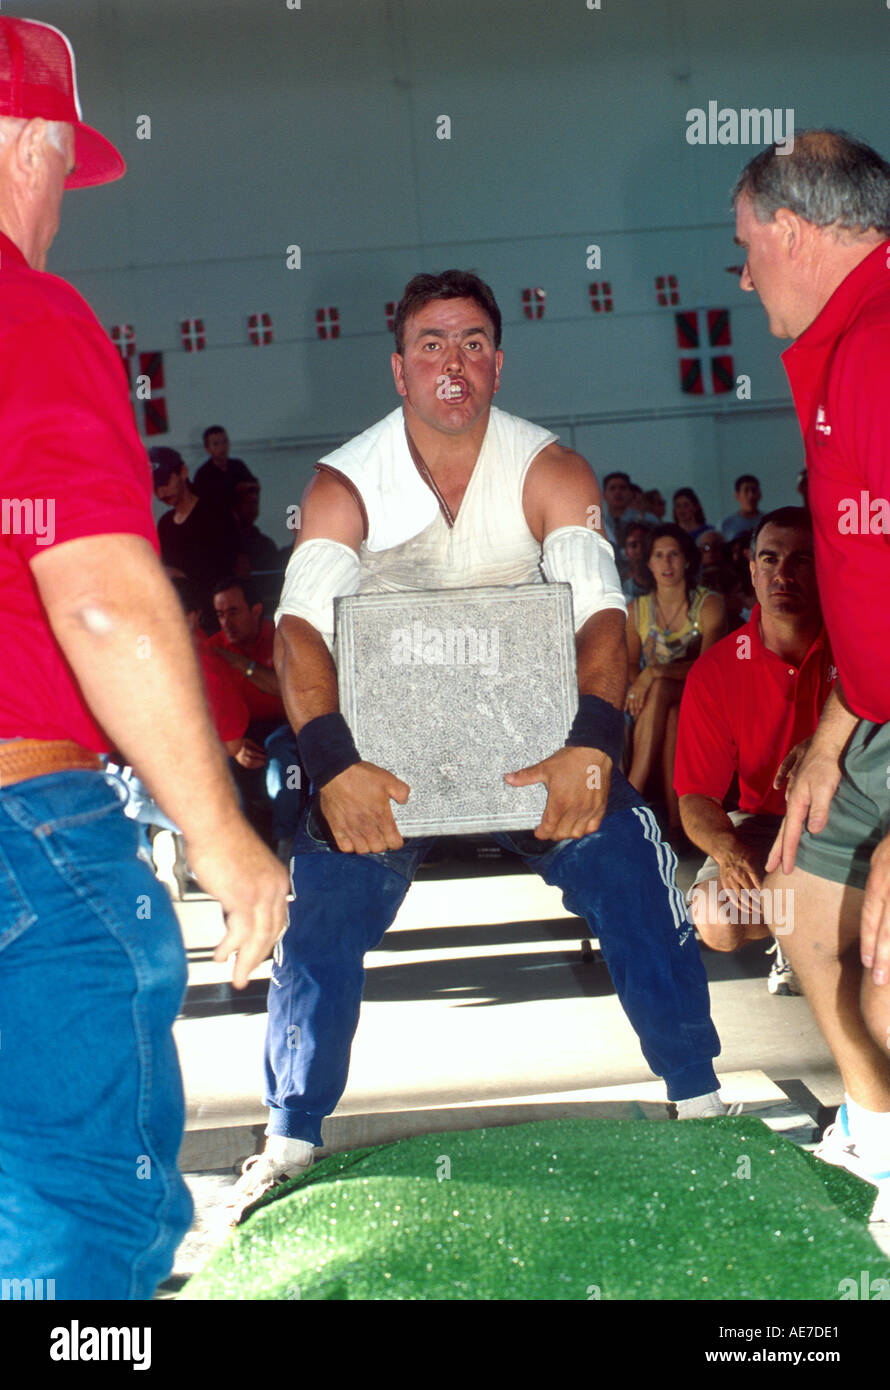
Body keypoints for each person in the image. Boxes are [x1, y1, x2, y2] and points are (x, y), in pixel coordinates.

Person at [223, 269, 725, 1220]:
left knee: (627, 861)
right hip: (386, 757)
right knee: (320, 905)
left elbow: (603, 618)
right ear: (399, 369)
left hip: (531, 743)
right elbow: (298, 635)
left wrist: (592, 743)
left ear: (498, 361)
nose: (452, 363)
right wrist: (332, 764)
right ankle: (287, 1143)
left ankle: (701, 1103)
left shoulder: (553, 472)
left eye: (472, 344)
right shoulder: (343, 482)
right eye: (431, 345)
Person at [0, 16, 289, 1299]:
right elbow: (103, 601)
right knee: (75, 1223)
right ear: (32, 142)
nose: (66, 197)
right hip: (25, 833)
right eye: (65, 162)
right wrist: (219, 833)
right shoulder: (32, 313)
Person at [733, 129, 890, 1220]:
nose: (740, 274)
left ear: (792, 230)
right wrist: (829, 738)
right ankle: (874, 1130)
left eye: (744, 246)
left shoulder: (881, 347)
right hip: (875, 711)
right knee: (798, 876)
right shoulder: (845, 347)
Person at [675, 508, 836, 993]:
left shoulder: (863, 647)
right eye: (770, 559)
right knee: (715, 918)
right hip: (766, 825)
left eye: (802, 560)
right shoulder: (717, 670)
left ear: (826, 566)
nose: (783, 574)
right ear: (751, 569)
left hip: (858, 814)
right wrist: (728, 851)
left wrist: (829, 744)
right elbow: (696, 796)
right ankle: (793, 930)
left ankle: (820, 924)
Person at [625, 524, 726, 839]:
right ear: (649, 563)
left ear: (686, 561)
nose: (666, 563)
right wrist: (640, 686)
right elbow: (629, 666)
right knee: (668, 710)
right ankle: (676, 823)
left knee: (664, 689)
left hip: (701, 696)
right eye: (658, 555)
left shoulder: (709, 604)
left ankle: (630, 796)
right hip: (652, 705)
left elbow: (708, 668)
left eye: (674, 555)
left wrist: (654, 673)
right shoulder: (636, 609)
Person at [206, 577, 305, 852]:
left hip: (284, 726)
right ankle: (239, 849)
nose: (226, 622)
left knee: (282, 752)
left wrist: (241, 664)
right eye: (220, 615)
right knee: (216, 757)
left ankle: (287, 843)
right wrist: (234, 747)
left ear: (257, 610)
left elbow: (288, 689)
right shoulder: (212, 646)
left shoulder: (281, 634)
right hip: (237, 730)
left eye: (233, 612)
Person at [151, 446, 245, 626]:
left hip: (219, 618)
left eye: (165, 483)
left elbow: (230, 567)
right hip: (186, 619)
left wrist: (182, 576)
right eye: (155, 488)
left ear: (183, 472)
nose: (161, 493)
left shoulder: (214, 511)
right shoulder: (165, 524)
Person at [193, 424, 257, 510]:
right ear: (207, 449)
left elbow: (255, 486)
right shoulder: (202, 474)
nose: (222, 447)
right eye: (216, 444)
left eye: (225, 442)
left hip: (241, 517)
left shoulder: (238, 465)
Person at [233, 478, 281, 572]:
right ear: (236, 506)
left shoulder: (265, 546)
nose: (252, 508)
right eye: (247, 502)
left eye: (255, 503)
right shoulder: (222, 544)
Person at [720, 474, 763, 541]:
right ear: (737, 495)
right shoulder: (726, 525)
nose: (750, 496)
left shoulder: (767, 521)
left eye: (754, 490)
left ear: (760, 494)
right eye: (746, 491)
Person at [620, 519, 653, 600]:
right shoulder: (618, 580)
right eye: (633, 545)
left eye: (644, 544)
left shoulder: (661, 577)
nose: (640, 550)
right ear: (626, 551)